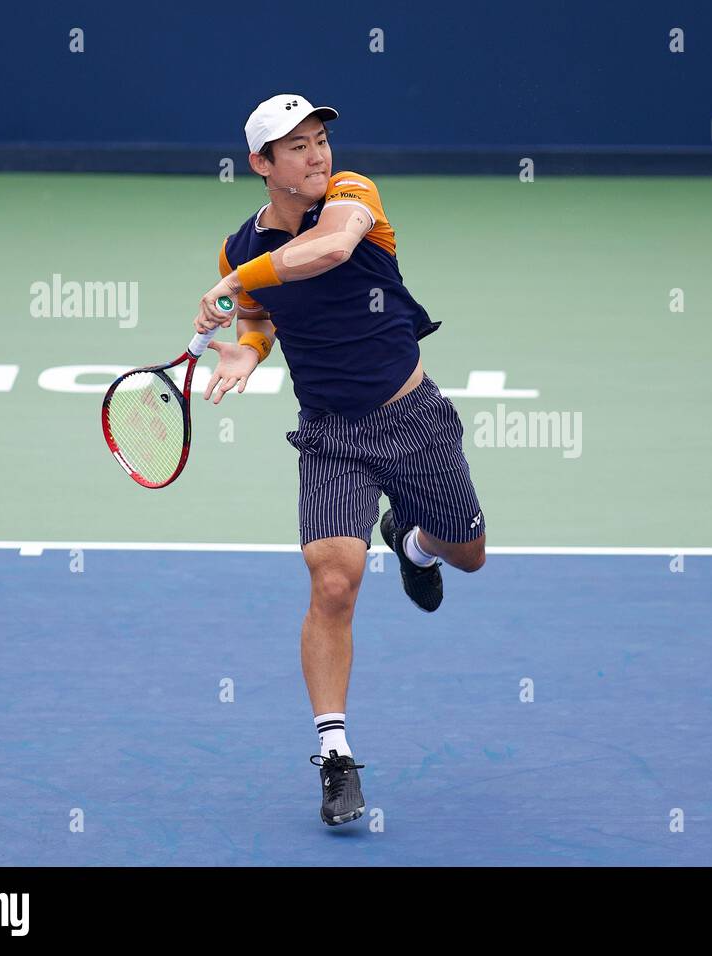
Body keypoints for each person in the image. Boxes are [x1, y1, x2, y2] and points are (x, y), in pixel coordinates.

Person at [193, 93, 487, 826]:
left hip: (414, 417)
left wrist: (233, 286)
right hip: (330, 435)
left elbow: (326, 250)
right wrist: (248, 346)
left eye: (319, 138)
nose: (317, 154)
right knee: (333, 581)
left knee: (470, 553)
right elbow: (262, 317)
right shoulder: (240, 246)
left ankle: (414, 544)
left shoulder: (354, 194)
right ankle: (334, 756)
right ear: (262, 165)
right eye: (295, 147)